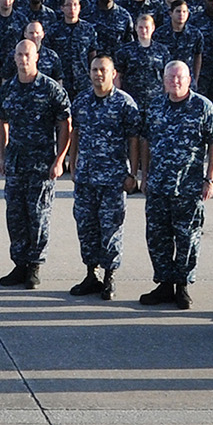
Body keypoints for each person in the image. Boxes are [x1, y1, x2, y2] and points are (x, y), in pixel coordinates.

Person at [138, 60, 213, 310]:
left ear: (189, 80)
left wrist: (210, 178)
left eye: (180, 77)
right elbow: (145, 140)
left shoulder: (202, 106)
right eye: (170, 77)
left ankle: (182, 285)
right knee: (158, 237)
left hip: (188, 187)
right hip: (158, 185)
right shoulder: (155, 107)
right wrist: (144, 174)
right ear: (164, 80)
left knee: (187, 238)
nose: (175, 81)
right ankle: (164, 284)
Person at [0, 38, 73, 288]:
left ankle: (35, 265)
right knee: (15, 215)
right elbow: (1, 121)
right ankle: (19, 264)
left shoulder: (50, 89)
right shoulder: (8, 89)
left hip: (42, 163)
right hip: (17, 161)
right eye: (19, 55)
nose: (23, 59)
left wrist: (60, 159)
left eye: (28, 54)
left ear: (37, 56)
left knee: (39, 216)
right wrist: (2, 156)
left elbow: (65, 124)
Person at [65, 55, 143, 300]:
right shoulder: (82, 101)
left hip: (113, 178)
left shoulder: (125, 104)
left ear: (113, 74)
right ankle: (91, 275)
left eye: (103, 70)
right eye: (94, 69)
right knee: (86, 227)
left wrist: (133, 173)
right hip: (86, 176)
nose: (98, 74)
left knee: (111, 228)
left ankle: (109, 277)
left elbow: (134, 139)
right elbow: (74, 131)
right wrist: (72, 162)